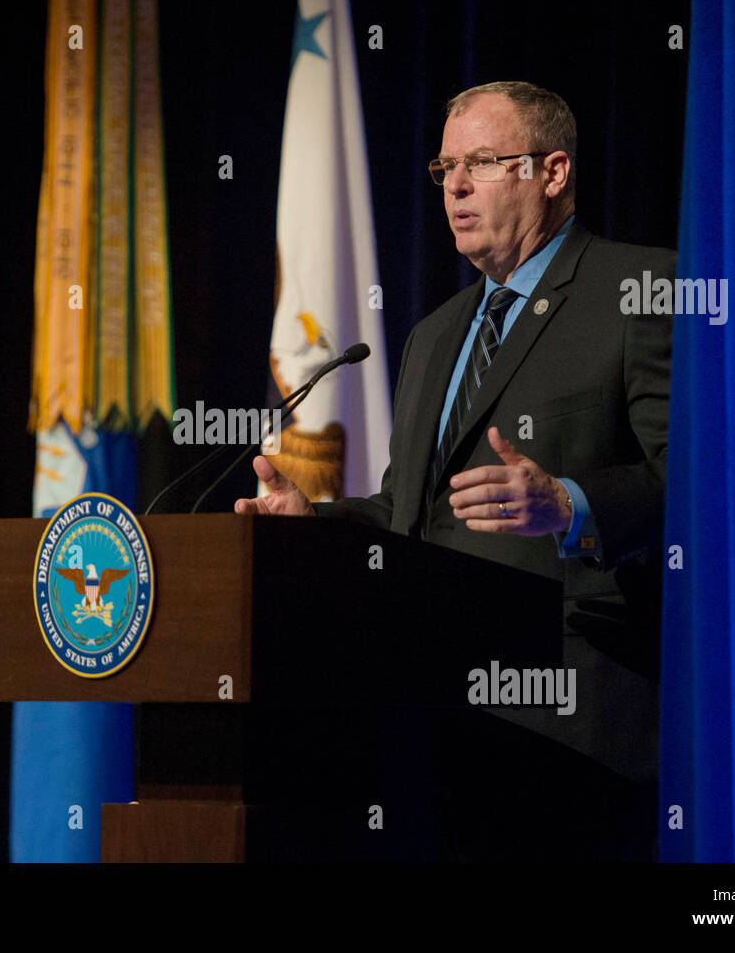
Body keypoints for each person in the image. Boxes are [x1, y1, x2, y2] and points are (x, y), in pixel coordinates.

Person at [235, 81, 675, 860]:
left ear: (553, 170)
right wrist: (317, 523)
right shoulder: (434, 336)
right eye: (444, 167)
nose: (456, 186)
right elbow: (409, 515)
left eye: (481, 162)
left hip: (576, 734)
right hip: (432, 729)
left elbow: (694, 495)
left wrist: (567, 503)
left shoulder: (636, 293)